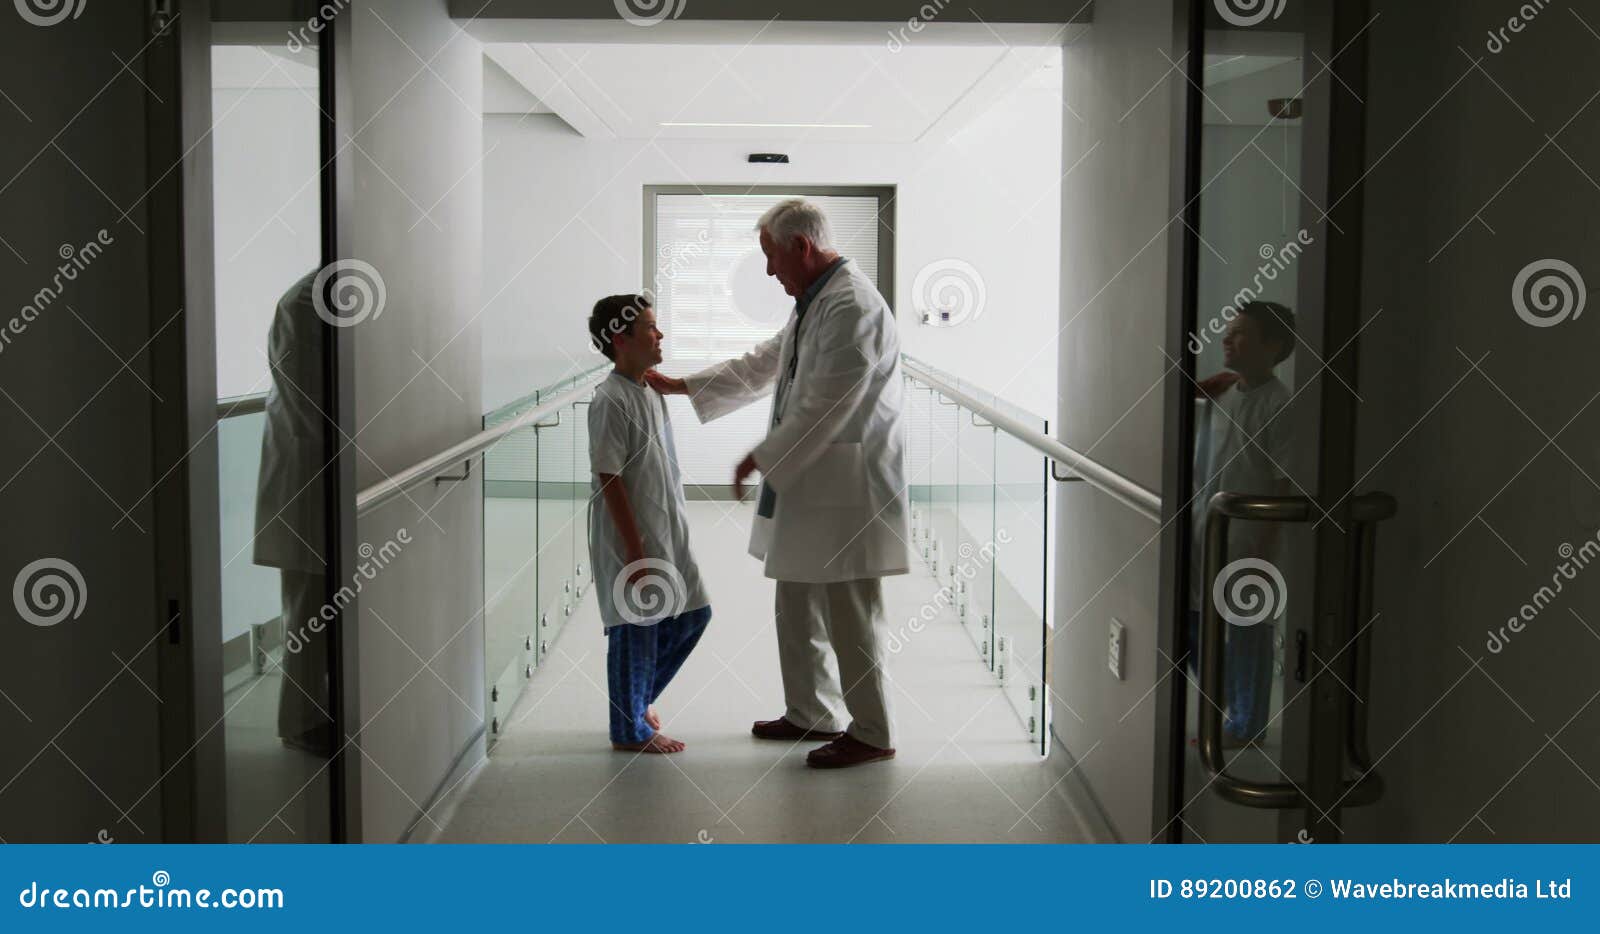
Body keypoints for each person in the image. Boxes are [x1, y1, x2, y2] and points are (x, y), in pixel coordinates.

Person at [646, 199, 909, 769]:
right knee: (796, 597)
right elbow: (769, 362)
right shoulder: (815, 301)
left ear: (802, 248)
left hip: (848, 483)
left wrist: (760, 457)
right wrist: (683, 385)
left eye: (771, 258)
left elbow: (826, 404)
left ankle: (872, 730)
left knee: (850, 611)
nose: (770, 272)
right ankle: (810, 711)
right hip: (817, 480)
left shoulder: (853, 305)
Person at [587, 293, 712, 754]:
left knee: (693, 613)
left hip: (664, 529)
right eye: (650, 328)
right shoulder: (609, 400)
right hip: (632, 539)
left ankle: (635, 703)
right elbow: (610, 479)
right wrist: (635, 552)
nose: (660, 335)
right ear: (621, 339)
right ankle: (629, 728)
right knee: (634, 630)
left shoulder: (649, 389)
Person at [1189, 300, 1297, 748]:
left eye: (1240, 334)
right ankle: (1228, 708)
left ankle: (1245, 724)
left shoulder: (1281, 405)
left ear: (1272, 346)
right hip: (1204, 531)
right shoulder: (1221, 393)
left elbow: (1284, 482)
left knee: (1249, 633)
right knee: (1197, 627)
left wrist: (1264, 551)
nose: (1226, 340)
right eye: (1227, 332)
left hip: (1249, 541)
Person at [253, 271, 333, 756]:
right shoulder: (308, 300)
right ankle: (301, 723)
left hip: (313, 470)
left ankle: (313, 714)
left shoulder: (315, 294)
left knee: (315, 604)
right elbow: (314, 400)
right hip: (306, 475)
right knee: (308, 605)